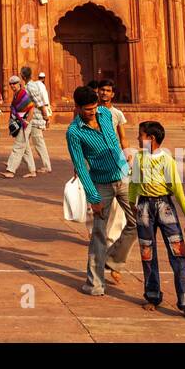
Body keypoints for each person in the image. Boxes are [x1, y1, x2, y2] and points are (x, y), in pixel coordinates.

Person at [67, 85, 137, 298]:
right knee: (99, 233)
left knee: (139, 222)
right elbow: (80, 166)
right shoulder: (74, 132)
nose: (93, 112)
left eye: (95, 107)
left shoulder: (106, 114)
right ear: (78, 108)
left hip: (123, 176)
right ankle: (95, 284)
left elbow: (117, 139)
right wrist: (93, 197)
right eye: (88, 109)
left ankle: (112, 260)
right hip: (101, 184)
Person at [128, 120, 185, 320]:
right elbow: (134, 184)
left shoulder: (167, 160)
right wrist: (133, 204)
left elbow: (178, 191)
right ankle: (152, 295)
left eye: (140, 135)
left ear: (151, 139)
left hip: (164, 206)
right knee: (147, 252)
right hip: (143, 208)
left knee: (178, 253)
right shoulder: (139, 158)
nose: (137, 138)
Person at [2, 73, 47, 178]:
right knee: (25, 148)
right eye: (11, 84)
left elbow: (31, 108)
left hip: (24, 123)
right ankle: (32, 171)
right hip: (20, 122)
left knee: (18, 146)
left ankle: (11, 170)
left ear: (19, 84)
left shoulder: (22, 94)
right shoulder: (17, 94)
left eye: (14, 83)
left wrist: (27, 121)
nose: (13, 86)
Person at [94, 80, 127, 149]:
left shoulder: (118, 113)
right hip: (95, 151)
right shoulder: (92, 111)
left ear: (112, 94)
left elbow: (123, 138)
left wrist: (127, 153)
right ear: (98, 92)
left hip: (112, 150)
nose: (104, 93)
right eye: (102, 90)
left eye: (108, 91)